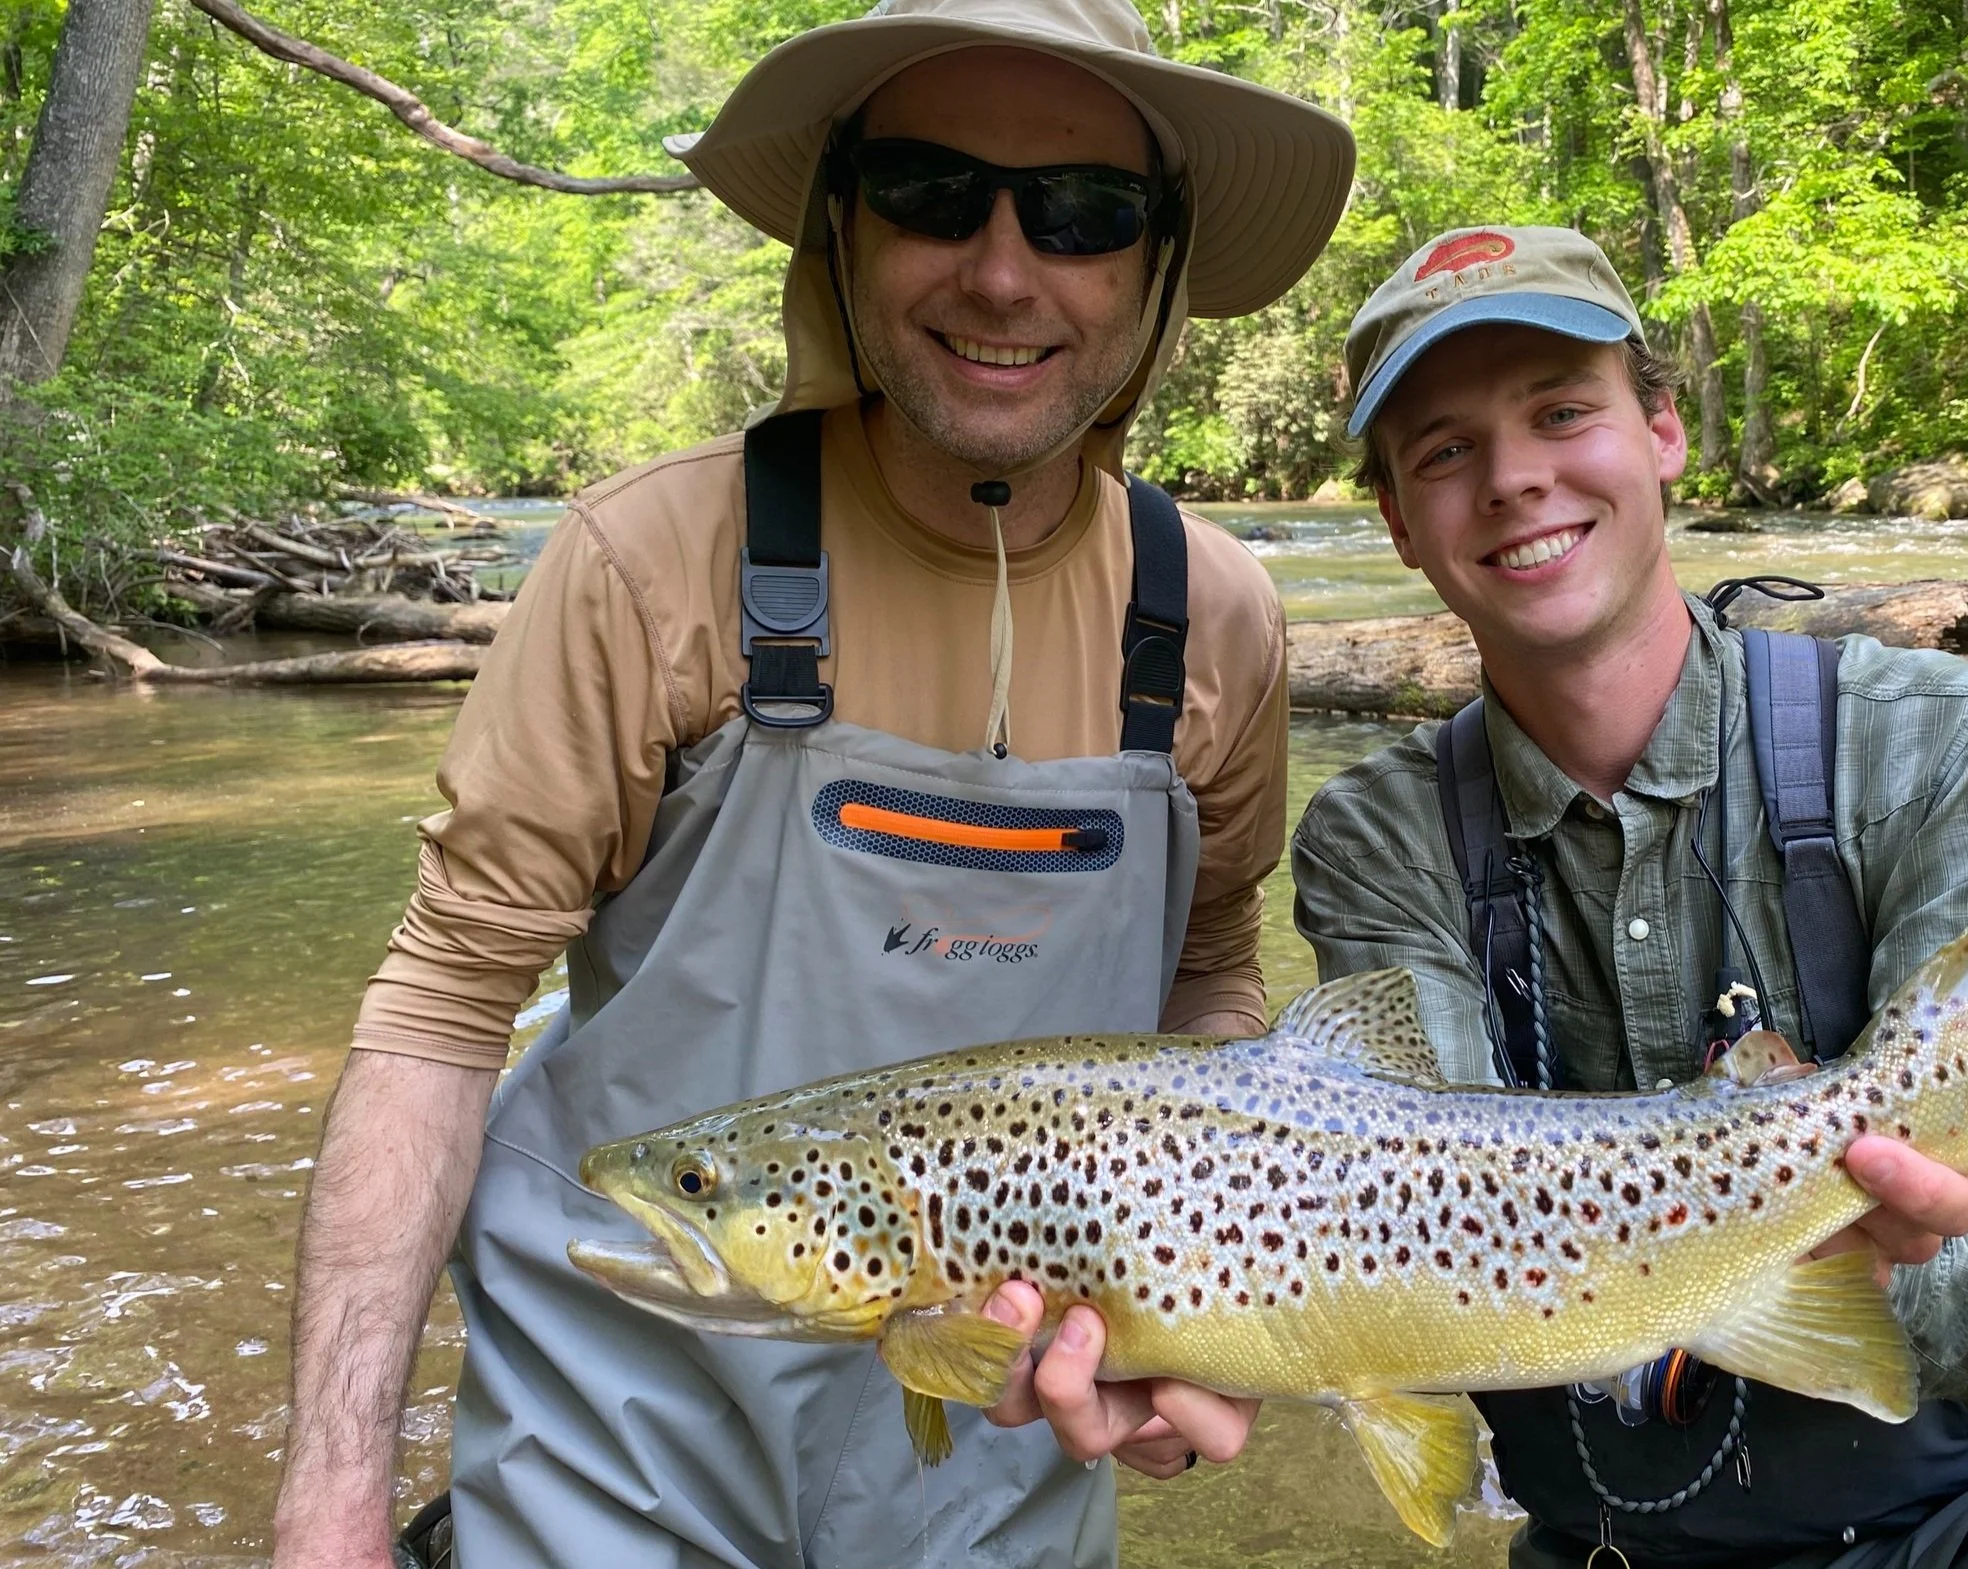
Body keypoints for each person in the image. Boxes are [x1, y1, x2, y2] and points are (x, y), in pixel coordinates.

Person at [266, 1, 1353, 1563]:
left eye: (1083, 212)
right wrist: (331, 1506)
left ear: (1155, 264)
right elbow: (441, 1014)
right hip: (614, 1456)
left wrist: (1204, 1311)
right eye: (930, 191)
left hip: (1006, 1473)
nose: (1002, 271)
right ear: (842, 224)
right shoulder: (647, 564)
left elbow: (1212, 984)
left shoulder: (1220, 618)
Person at [1289, 225, 1968, 1568]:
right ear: (1399, 521)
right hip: (1612, 1541)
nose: (1513, 478)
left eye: (1561, 414)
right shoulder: (1375, 837)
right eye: (1446, 451)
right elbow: (1441, 1238)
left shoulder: (1948, 741)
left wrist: (1902, 1254)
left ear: (1664, 431)